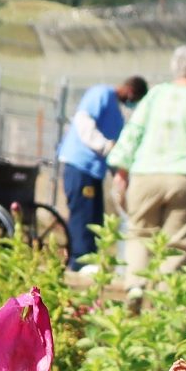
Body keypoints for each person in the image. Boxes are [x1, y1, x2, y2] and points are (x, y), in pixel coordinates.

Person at [107, 43, 186, 285]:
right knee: (177, 243)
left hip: (145, 176)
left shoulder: (155, 95)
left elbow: (133, 132)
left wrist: (121, 171)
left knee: (139, 234)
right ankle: (163, 304)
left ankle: (135, 290)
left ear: (176, 66)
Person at [56, 76, 146, 272]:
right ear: (130, 91)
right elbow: (84, 122)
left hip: (94, 171)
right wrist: (104, 145)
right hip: (80, 165)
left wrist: (121, 176)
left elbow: (116, 153)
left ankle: (89, 261)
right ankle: (79, 263)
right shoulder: (101, 93)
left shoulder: (117, 115)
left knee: (94, 218)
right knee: (83, 216)